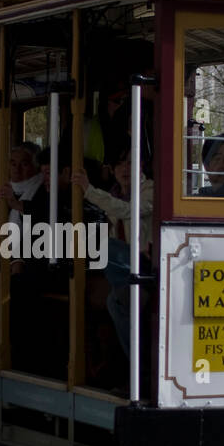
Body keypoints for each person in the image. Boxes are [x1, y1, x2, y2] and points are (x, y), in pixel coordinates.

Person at [73, 151, 154, 357]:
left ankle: (138, 366)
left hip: (146, 266)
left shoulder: (150, 189)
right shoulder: (115, 193)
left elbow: (128, 211)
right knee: (111, 302)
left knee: (105, 247)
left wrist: (89, 191)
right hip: (123, 268)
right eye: (120, 164)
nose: (125, 169)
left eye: (131, 163)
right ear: (112, 169)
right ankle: (133, 366)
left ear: (141, 166)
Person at [0, 142, 43, 236]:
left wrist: (17, 204)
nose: (17, 169)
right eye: (13, 164)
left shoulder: (42, 189)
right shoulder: (6, 188)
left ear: (35, 166)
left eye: (24, 164)